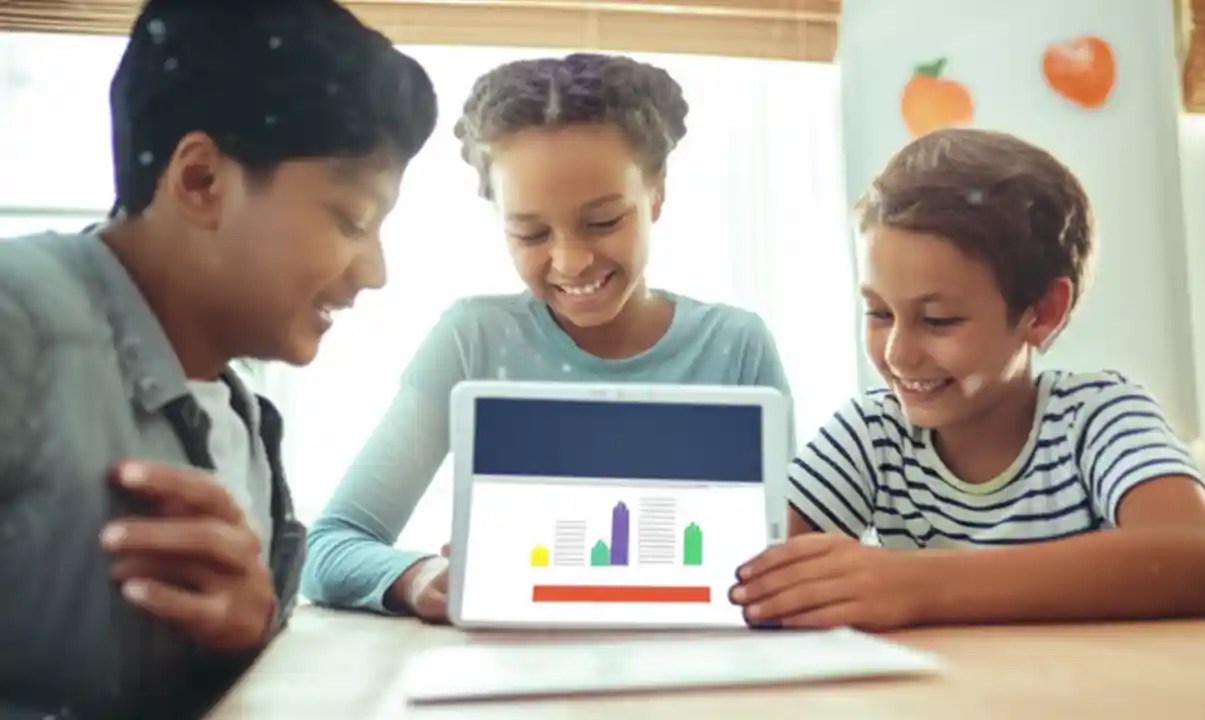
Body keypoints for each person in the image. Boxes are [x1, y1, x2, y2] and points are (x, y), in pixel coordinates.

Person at [0, 1, 437, 717]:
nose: (375, 271)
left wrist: (243, 642)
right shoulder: (18, 324)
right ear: (201, 179)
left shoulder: (241, 420)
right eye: (353, 219)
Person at [301, 52, 791, 622]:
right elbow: (329, 544)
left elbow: (782, 558)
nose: (571, 261)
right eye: (529, 232)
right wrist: (419, 577)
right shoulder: (473, 339)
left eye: (604, 221)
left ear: (655, 194)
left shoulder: (736, 344)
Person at [729, 128, 1205, 629]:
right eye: (880, 314)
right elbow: (745, 573)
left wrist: (918, 585)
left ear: (1041, 313)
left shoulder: (1097, 416)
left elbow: (1201, 564)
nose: (898, 354)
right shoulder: (871, 434)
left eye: (939, 321)